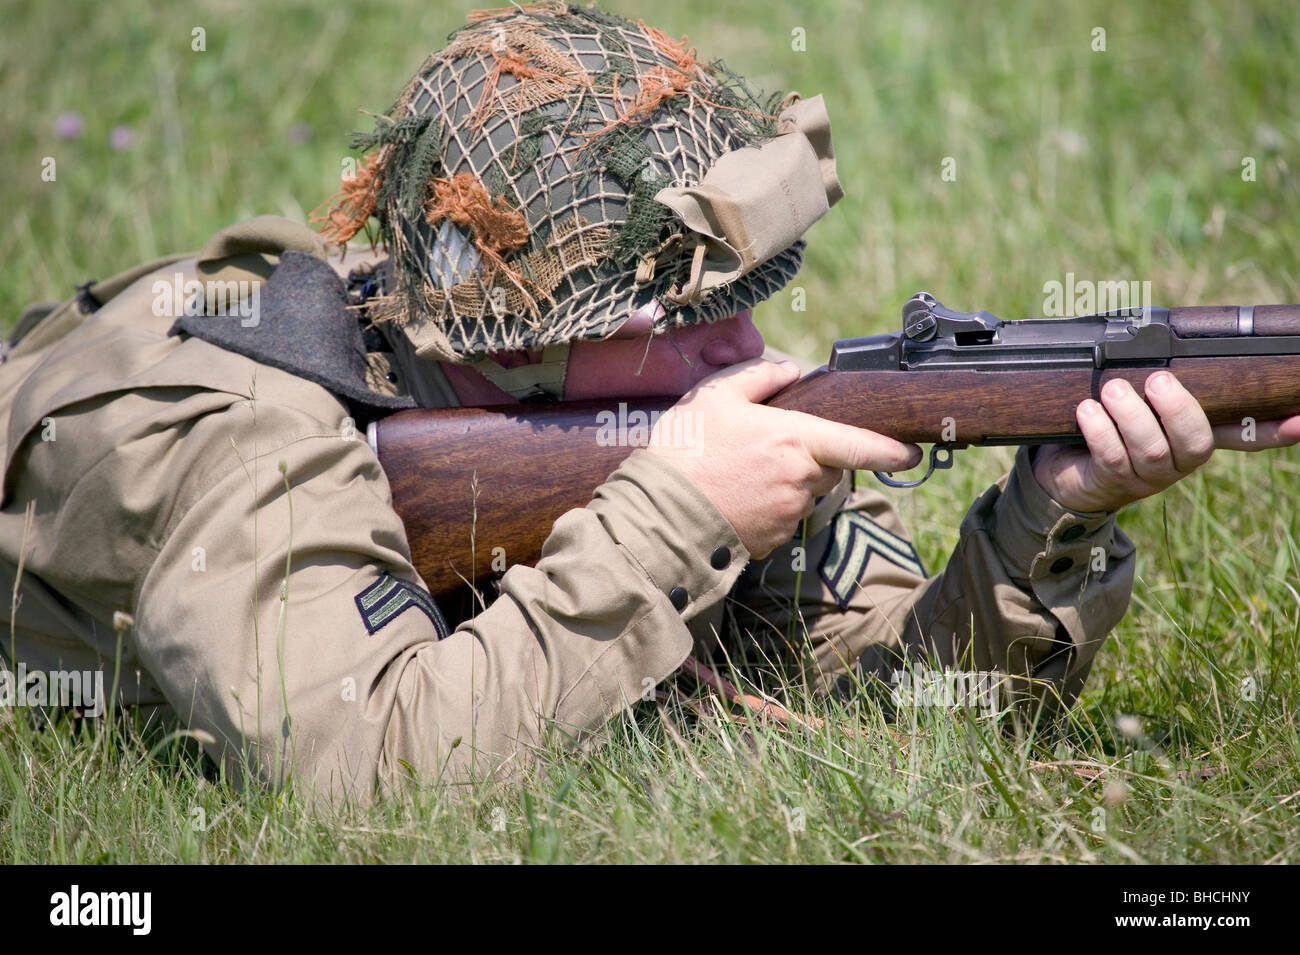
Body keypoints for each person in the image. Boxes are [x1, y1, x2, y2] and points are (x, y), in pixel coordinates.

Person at [2, 2, 1296, 802]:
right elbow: (363, 790)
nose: (747, 351)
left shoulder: (610, 417)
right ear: (528, 347)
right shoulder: (249, 431)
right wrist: (674, 513)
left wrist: (1049, 519)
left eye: (743, 299)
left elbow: (911, 718)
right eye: (685, 323)